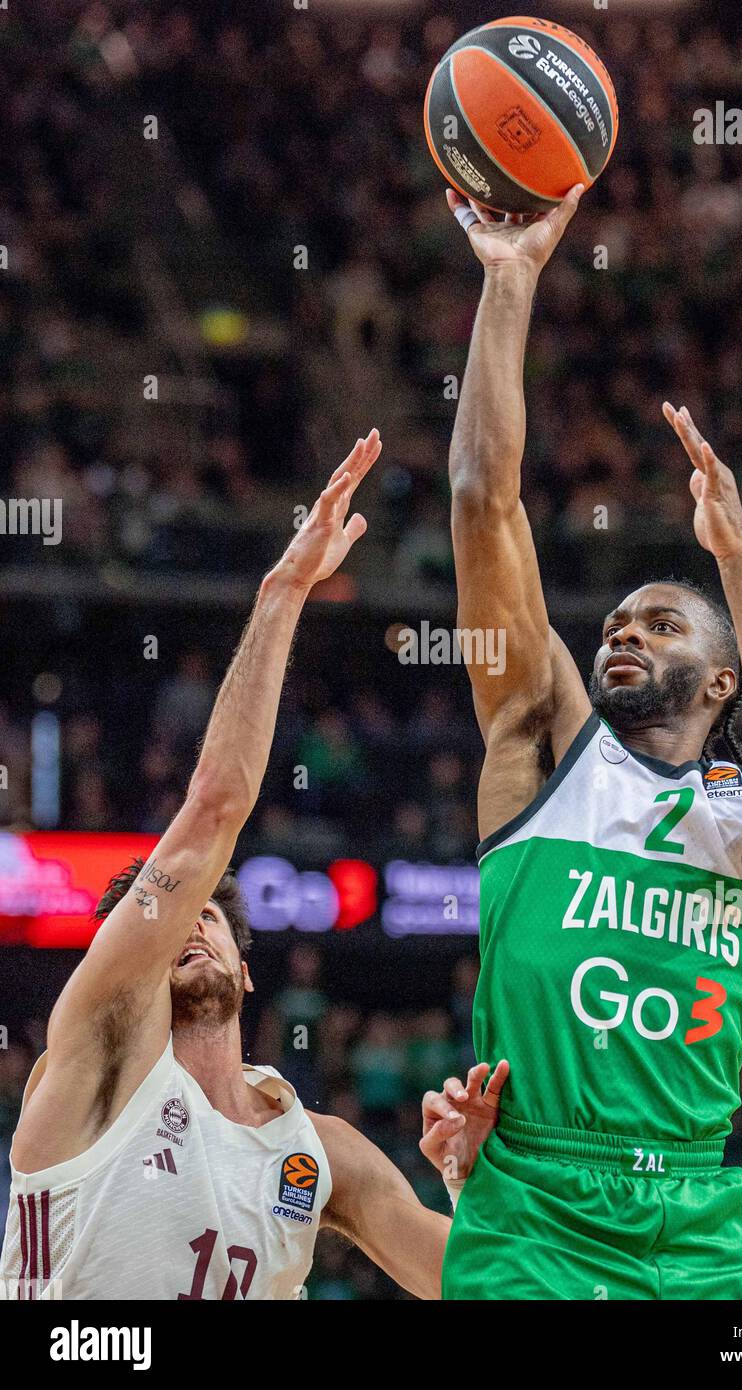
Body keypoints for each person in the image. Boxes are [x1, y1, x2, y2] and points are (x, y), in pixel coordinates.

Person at [440, 186, 742, 1300]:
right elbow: (484, 503)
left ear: (722, 679)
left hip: (697, 1212)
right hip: (535, 1200)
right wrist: (508, 280)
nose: (621, 631)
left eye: (658, 622)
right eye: (614, 622)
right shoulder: (542, 742)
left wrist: (738, 558)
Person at [0, 431, 501, 1301]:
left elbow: (479, 1286)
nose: (191, 923)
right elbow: (214, 812)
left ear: (246, 968)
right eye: (172, 919)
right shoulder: (102, 1049)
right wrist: (281, 593)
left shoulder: (319, 1151)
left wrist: (474, 1187)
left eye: (212, 919)